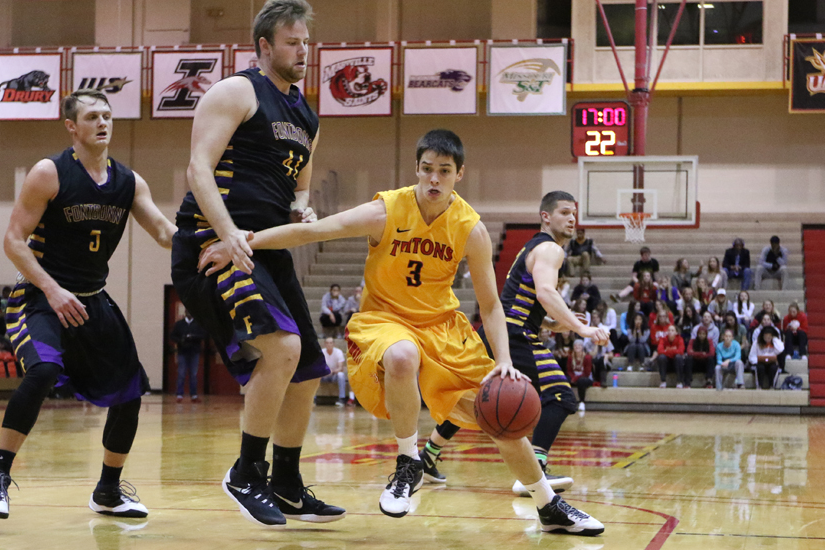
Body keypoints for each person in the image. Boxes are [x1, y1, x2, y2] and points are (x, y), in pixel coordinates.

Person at [200, 148, 606, 534]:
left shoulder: (471, 227)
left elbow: (491, 305)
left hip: (444, 330)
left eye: (445, 171)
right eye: (428, 168)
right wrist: (241, 241)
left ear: (458, 175)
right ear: (417, 168)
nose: (434, 178)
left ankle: (547, 504)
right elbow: (314, 231)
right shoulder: (386, 210)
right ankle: (408, 464)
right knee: (401, 355)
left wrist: (503, 359)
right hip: (383, 321)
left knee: (499, 412)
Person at [171, 0, 345, 527]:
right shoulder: (237, 91)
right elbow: (198, 169)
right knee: (283, 347)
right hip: (211, 242)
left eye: (307, 42)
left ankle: (287, 482)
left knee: (311, 368)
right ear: (265, 47)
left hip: (265, 247)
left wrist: (303, 210)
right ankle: (247, 472)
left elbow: (300, 188)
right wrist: (227, 233)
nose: (303, 51)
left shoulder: (307, 115)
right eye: (292, 42)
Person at [0, 89, 178, 521]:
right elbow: (13, 241)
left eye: (107, 115)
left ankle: (107, 490)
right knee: (44, 370)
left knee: (130, 390)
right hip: (41, 297)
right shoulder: (49, 173)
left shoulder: (128, 181)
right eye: (91, 117)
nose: (102, 123)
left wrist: (219, 237)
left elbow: (164, 232)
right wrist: (51, 289)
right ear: (72, 126)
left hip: (91, 300)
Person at [171, 309, 206, 402]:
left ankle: (194, 395)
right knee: (181, 373)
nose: (189, 314)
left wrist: (193, 337)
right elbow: (172, 336)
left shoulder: (198, 324)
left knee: (193, 374)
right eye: (188, 312)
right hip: (182, 351)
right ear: (185, 313)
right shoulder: (179, 324)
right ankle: (179, 394)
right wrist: (181, 340)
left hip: (194, 352)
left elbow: (204, 335)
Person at [320, 336, 352, 406]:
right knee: (314, 375)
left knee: (341, 375)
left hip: (334, 374)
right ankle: (313, 398)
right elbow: (319, 366)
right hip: (324, 374)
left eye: (331, 343)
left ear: (333, 344)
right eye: (327, 343)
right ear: (325, 344)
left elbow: (340, 368)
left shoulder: (338, 352)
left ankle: (342, 398)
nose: (329, 344)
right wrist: (326, 371)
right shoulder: (322, 352)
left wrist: (332, 371)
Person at [566, 340, 593, 413]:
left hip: (585, 378)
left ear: (582, 347)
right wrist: (572, 377)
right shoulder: (570, 357)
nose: (577, 347)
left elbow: (586, 373)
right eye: (575, 345)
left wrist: (575, 378)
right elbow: (569, 370)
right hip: (574, 377)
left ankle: (582, 402)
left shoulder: (587, 357)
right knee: (565, 379)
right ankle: (567, 401)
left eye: (579, 345)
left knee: (581, 381)